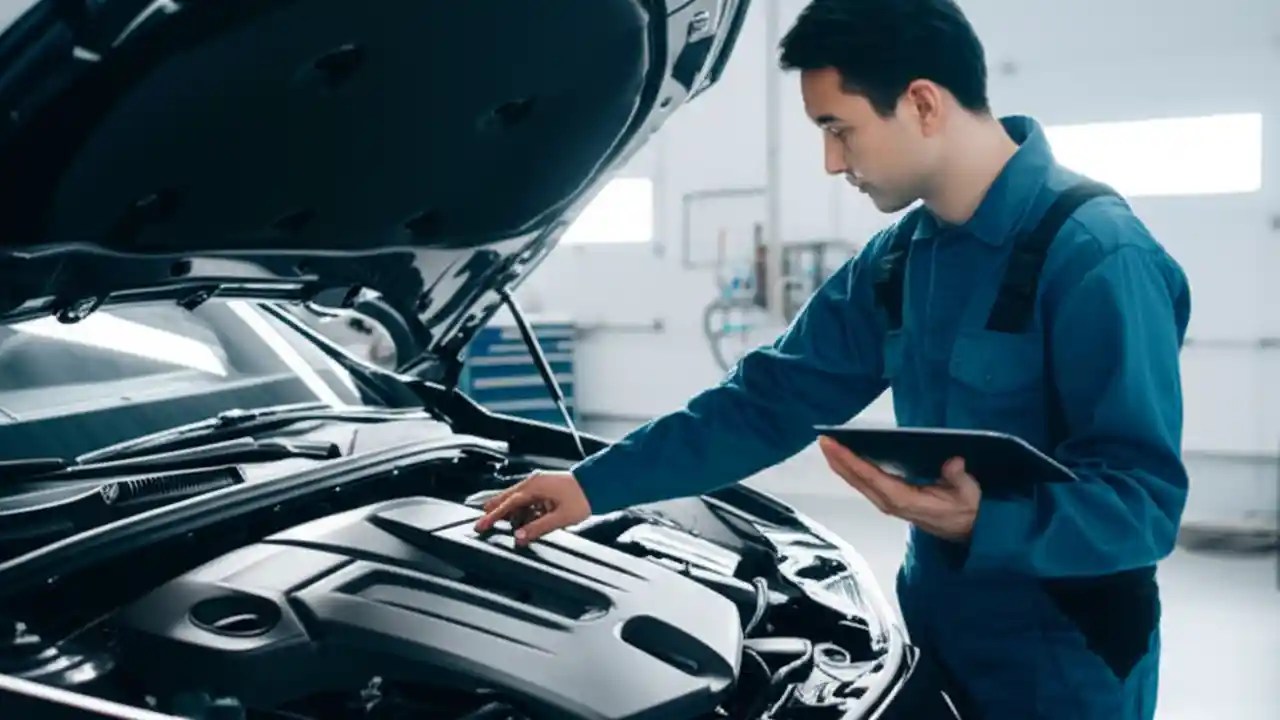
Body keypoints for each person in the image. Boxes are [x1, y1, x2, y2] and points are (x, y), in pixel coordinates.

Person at [474, 0, 1192, 717]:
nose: (831, 162)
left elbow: (1143, 502)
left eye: (839, 129)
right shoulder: (901, 260)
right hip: (937, 632)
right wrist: (592, 486)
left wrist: (986, 523)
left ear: (922, 104)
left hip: (1067, 661)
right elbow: (770, 400)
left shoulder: (1097, 254)